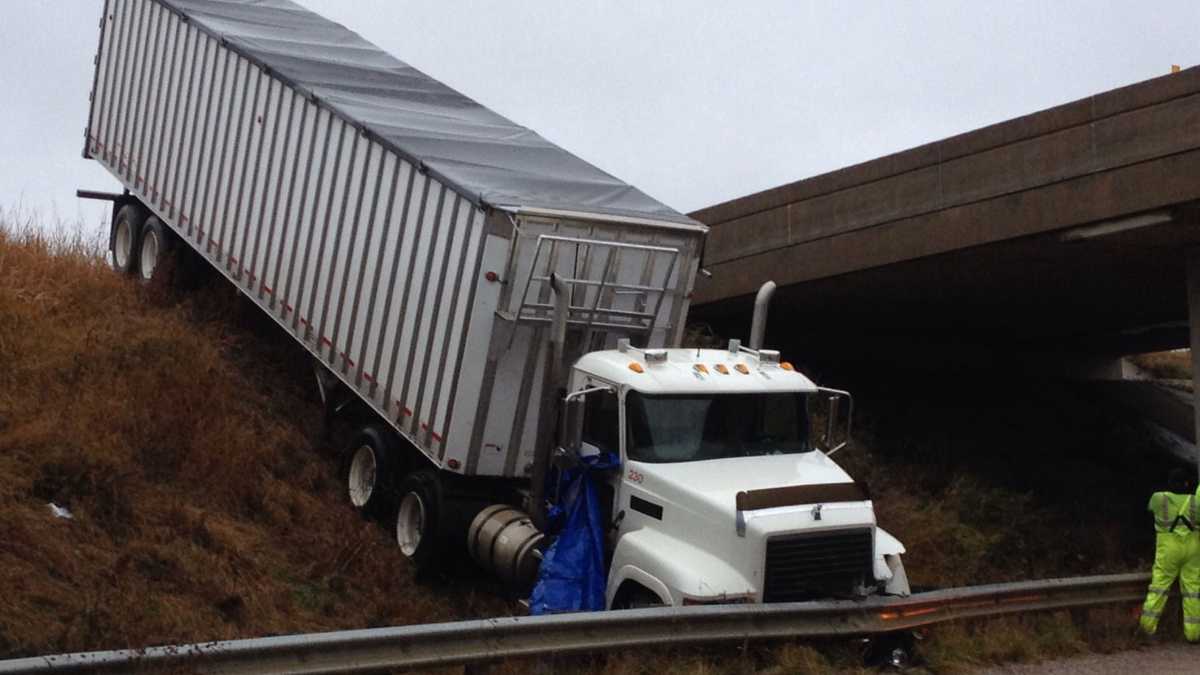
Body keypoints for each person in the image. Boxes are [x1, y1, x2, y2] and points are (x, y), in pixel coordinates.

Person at [1140, 467, 1200, 641]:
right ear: (1188, 484)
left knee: (1159, 587)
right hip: (1193, 549)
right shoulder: (1195, 501)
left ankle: (1146, 628)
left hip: (1168, 549)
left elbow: (1148, 507)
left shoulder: (1159, 498)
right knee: (1193, 591)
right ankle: (1194, 634)